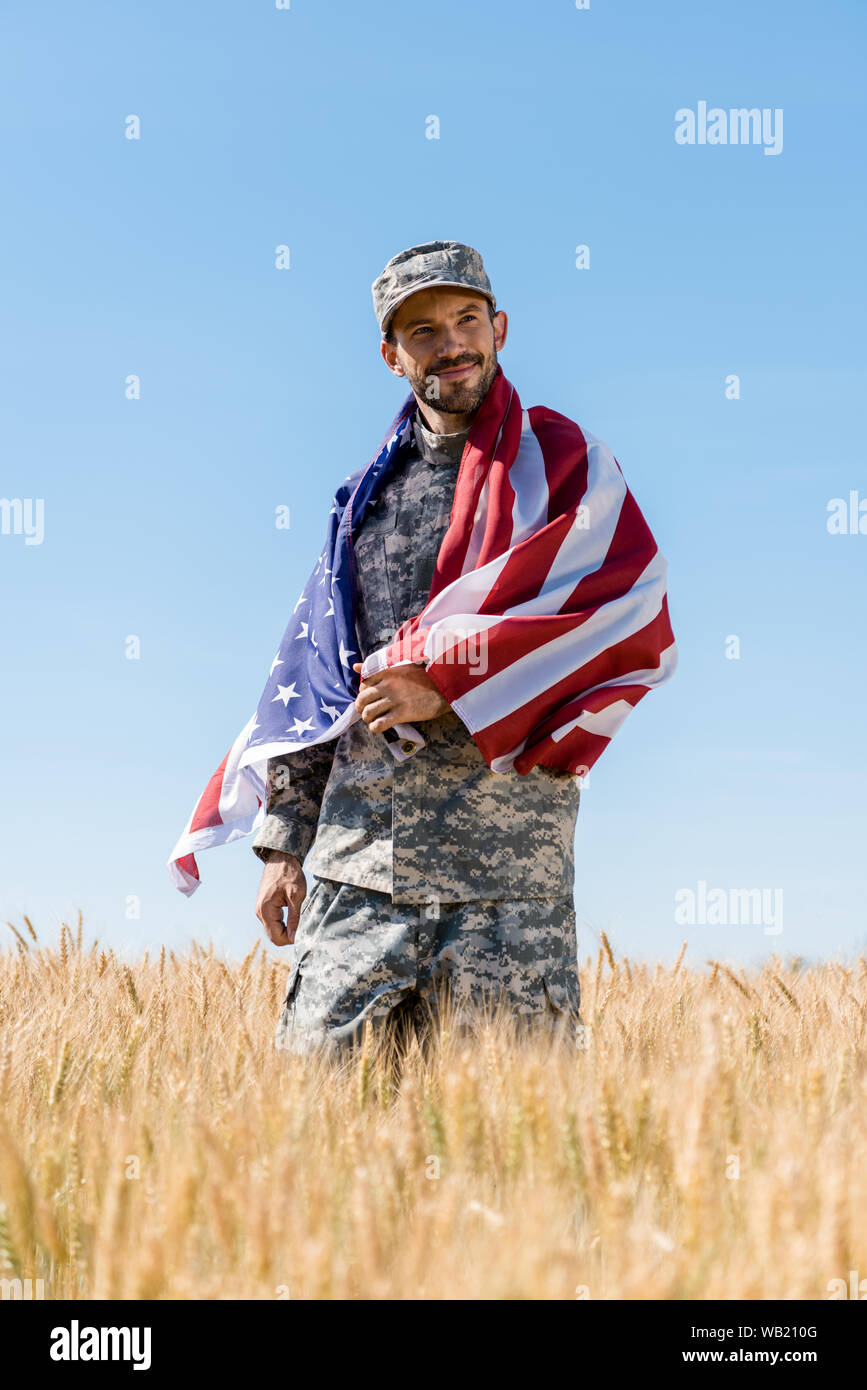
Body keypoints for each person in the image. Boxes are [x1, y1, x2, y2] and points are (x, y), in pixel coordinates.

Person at [250, 240, 675, 1056]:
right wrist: (282, 843)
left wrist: (448, 679)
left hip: (506, 884)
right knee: (316, 1141)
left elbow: (621, 613)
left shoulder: (566, 473)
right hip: (359, 872)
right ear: (391, 355)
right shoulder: (361, 504)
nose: (450, 344)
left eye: (465, 319)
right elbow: (312, 670)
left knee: (517, 1151)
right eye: (422, 331)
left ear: (500, 328)